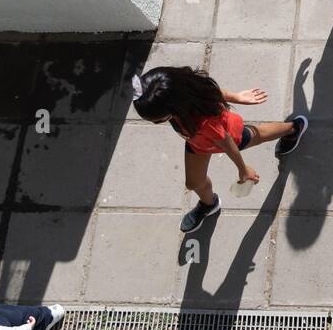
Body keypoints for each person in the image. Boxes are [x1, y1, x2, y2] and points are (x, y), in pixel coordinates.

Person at [132, 67, 309, 234]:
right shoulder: (179, 89)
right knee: (193, 183)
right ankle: (209, 204)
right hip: (198, 143)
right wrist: (237, 97)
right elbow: (207, 90)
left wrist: (243, 169)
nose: (156, 122)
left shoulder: (205, 123)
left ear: (176, 107)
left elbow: (227, 143)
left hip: (230, 136)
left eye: (159, 120)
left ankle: (293, 129)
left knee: (258, 135)